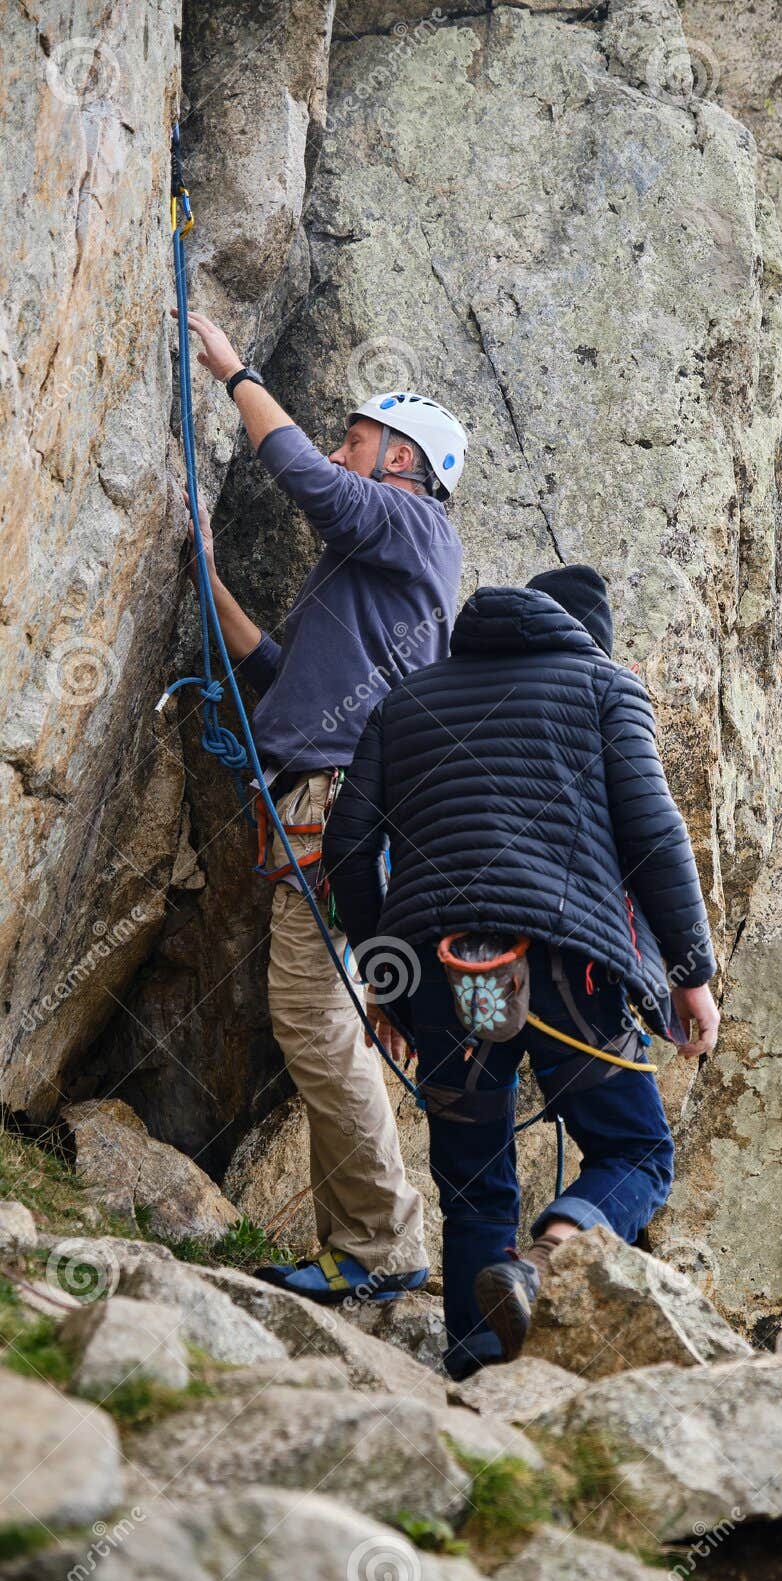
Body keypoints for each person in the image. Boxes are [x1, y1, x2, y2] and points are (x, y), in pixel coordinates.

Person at [322, 565, 720, 1377]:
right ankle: (545, 1259)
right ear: (588, 636)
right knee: (638, 1152)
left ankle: (472, 1364)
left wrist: (389, 979)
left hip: (439, 974)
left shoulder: (407, 699)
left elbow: (348, 848)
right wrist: (690, 973)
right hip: (560, 964)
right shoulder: (605, 686)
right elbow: (652, 830)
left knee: (473, 1182)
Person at [175, 307, 467, 1304]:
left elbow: (307, 478)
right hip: (322, 793)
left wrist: (233, 370)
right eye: (342, 436)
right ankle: (365, 1246)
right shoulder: (370, 571)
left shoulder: (417, 523)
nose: (341, 450)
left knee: (315, 1021)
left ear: (404, 461)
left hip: (341, 801)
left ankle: (381, 1249)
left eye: (356, 438)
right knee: (318, 1020)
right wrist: (208, 577)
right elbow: (279, 670)